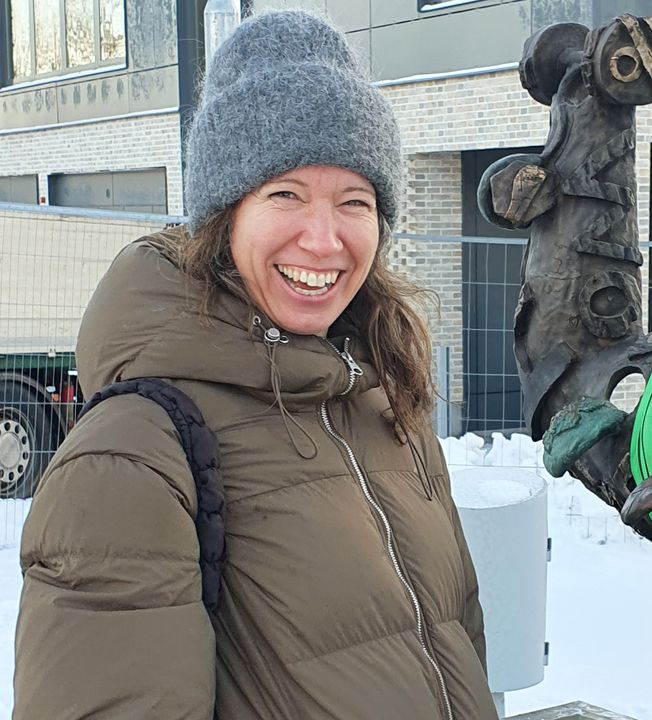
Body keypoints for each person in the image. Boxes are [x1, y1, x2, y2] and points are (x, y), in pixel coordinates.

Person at [14, 11, 498, 720]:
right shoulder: (134, 454)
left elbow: (458, 645)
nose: (324, 237)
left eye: (353, 201)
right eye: (285, 195)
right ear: (223, 218)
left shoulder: (385, 402)